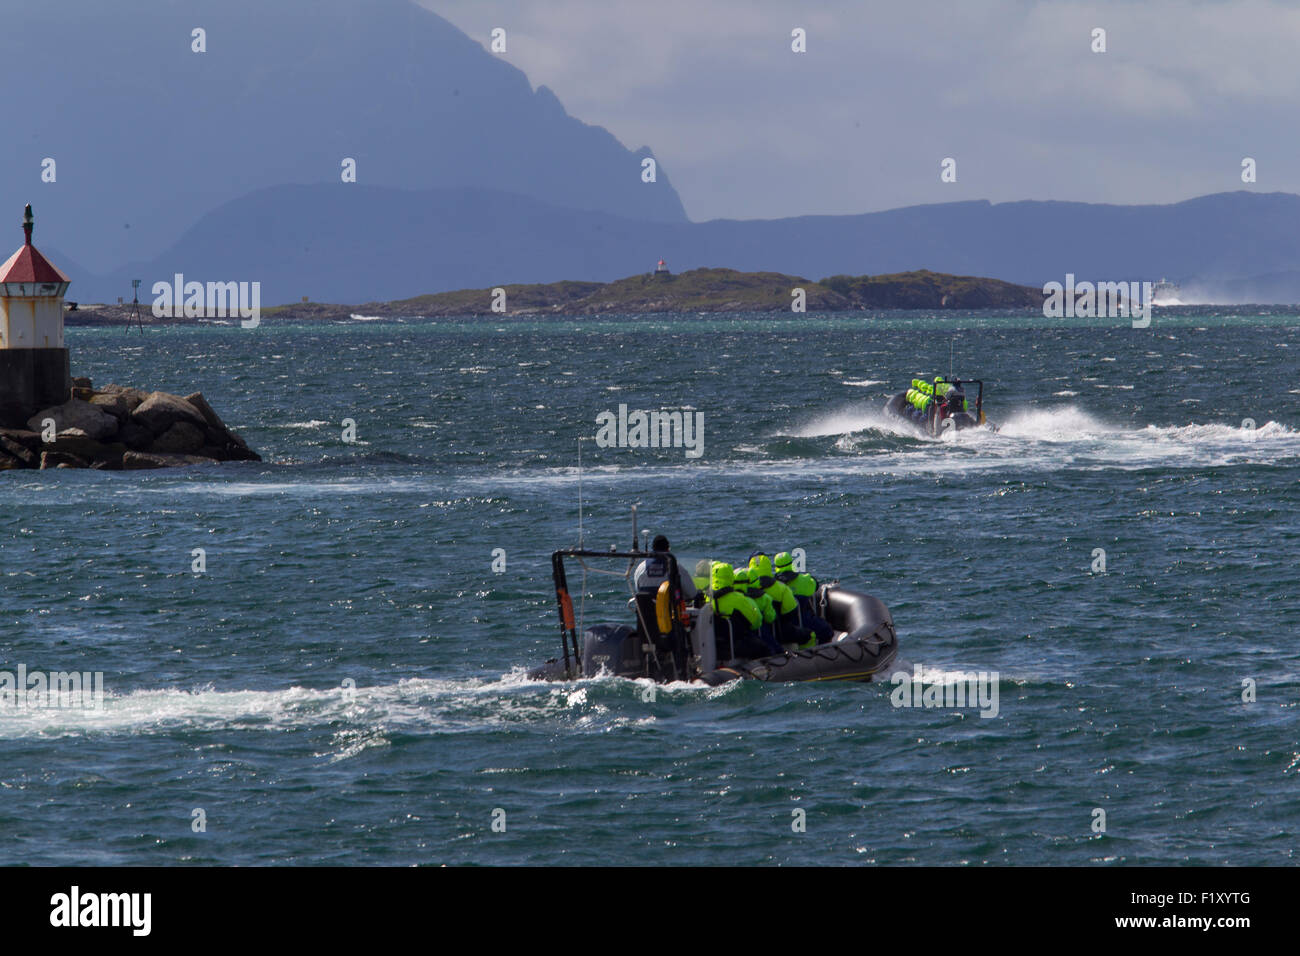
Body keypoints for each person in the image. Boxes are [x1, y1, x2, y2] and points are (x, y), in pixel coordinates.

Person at [705, 562, 768, 661]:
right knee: (764, 648)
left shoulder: (706, 598)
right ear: (730, 576)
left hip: (712, 646)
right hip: (736, 645)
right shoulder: (738, 599)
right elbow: (756, 622)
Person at [748, 552, 810, 648]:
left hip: (754, 636)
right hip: (782, 632)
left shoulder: (744, 593)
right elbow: (791, 612)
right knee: (808, 634)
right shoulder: (782, 588)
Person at [774, 551, 833, 646]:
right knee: (827, 630)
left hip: (782, 627)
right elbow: (815, 585)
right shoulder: (804, 580)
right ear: (792, 564)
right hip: (803, 621)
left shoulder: (773, 586)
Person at [633, 534, 698, 600]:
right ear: (668, 549)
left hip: (645, 609)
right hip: (669, 609)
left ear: (653, 548)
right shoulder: (675, 567)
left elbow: (638, 591)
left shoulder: (640, 568)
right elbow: (692, 594)